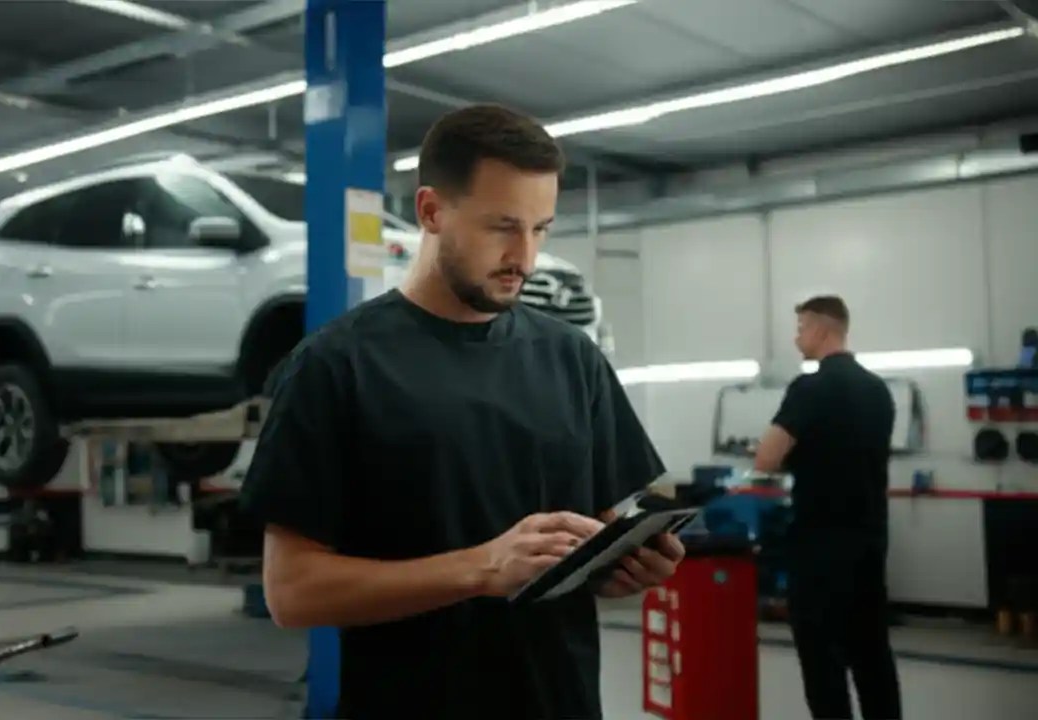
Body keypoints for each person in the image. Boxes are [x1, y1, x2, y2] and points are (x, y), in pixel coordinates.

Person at [239, 104, 685, 719]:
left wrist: (622, 563)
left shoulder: (571, 359)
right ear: (431, 212)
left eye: (540, 229)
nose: (525, 257)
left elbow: (599, 531)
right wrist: (480, 568)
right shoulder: (335, 367)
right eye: (502, 227)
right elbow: (292, 593)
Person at [754, 295, 902, 720]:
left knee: (823, 663)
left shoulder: (810, 388)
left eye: (801, 328)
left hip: (819, 548)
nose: (797, 337)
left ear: (820, 329)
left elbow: (766, 458)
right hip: (870, 544)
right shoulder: (878, 391)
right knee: (873, 655)